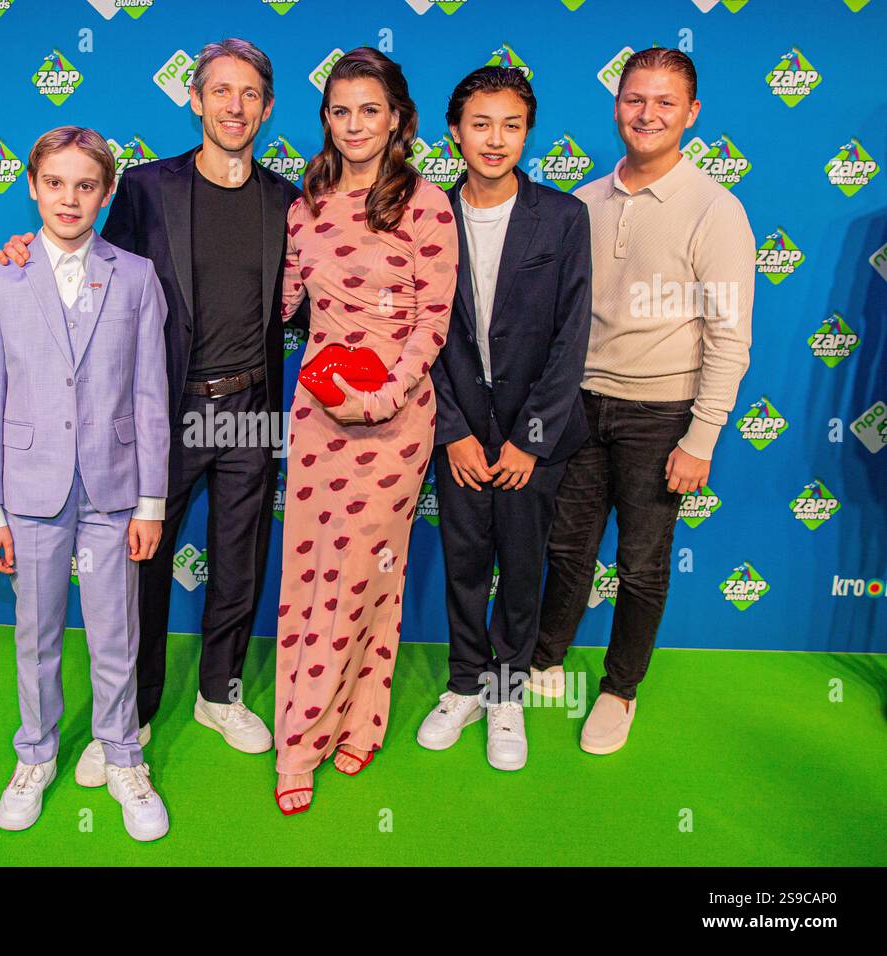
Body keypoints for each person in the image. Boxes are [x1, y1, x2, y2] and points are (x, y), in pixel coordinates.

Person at [0, 40, 310, 786]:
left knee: (240, 562)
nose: (235, 106)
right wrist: (23, 253)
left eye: (250, 94)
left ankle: (218, 693)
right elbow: (91, 263)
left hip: (250, 408)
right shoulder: (144, 188)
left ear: (266, 107)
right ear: (195, 101)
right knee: (141, 565)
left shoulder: (283, 198)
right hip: (162, 408)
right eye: (220, 92)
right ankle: (129, 713)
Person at [529, 48, 754, 754]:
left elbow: (730, 334)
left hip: (662, 417)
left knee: (643, 563)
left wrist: (703, 437)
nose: (646, 114)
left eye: (664, 102)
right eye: (634, 99)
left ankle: (620, 690)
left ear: (691, 114)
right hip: (580, 406)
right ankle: (544, 660)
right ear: (616, 103)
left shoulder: (716, 209)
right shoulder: (586, 202)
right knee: (566, 548)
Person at [0, 126, 172, 841]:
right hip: (30, 491)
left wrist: (151, 501)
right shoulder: (0, 278)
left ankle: (123, 755)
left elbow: (151, 397)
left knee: (117, 632)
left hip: (115, 491)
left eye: (86, 185)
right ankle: (37, 754)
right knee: (37, 632)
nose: (69, 198)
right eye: (55, 183)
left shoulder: (137, 276)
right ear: (32, 185)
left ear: (108, 193)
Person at [273, 48, 458, 814]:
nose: (354, 125)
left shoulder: (426, 204)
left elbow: (433, 322)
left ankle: (314, 737)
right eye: (340, 110)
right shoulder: (304, 202)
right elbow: (279, 300)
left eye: (369, 110)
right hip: (317, 417)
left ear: (397, 119)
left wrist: (380, 399)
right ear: (326, 119)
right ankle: (340, 721)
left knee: (367, 571)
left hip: (393, 421)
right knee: (308, 571)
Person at [418, 67, 592, 771]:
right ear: (455, 131)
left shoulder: (563, 216)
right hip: (458, 425)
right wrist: (452, 429)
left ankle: (505, 692)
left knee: (521, 567)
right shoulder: (425, 214)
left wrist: (532, 439)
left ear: (528, 131)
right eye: (481, 124)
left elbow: (571, 335)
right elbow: (419, 334)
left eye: (511, 125)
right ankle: (464, 683)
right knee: (464, 561)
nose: (496, 139)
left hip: (533, 433)